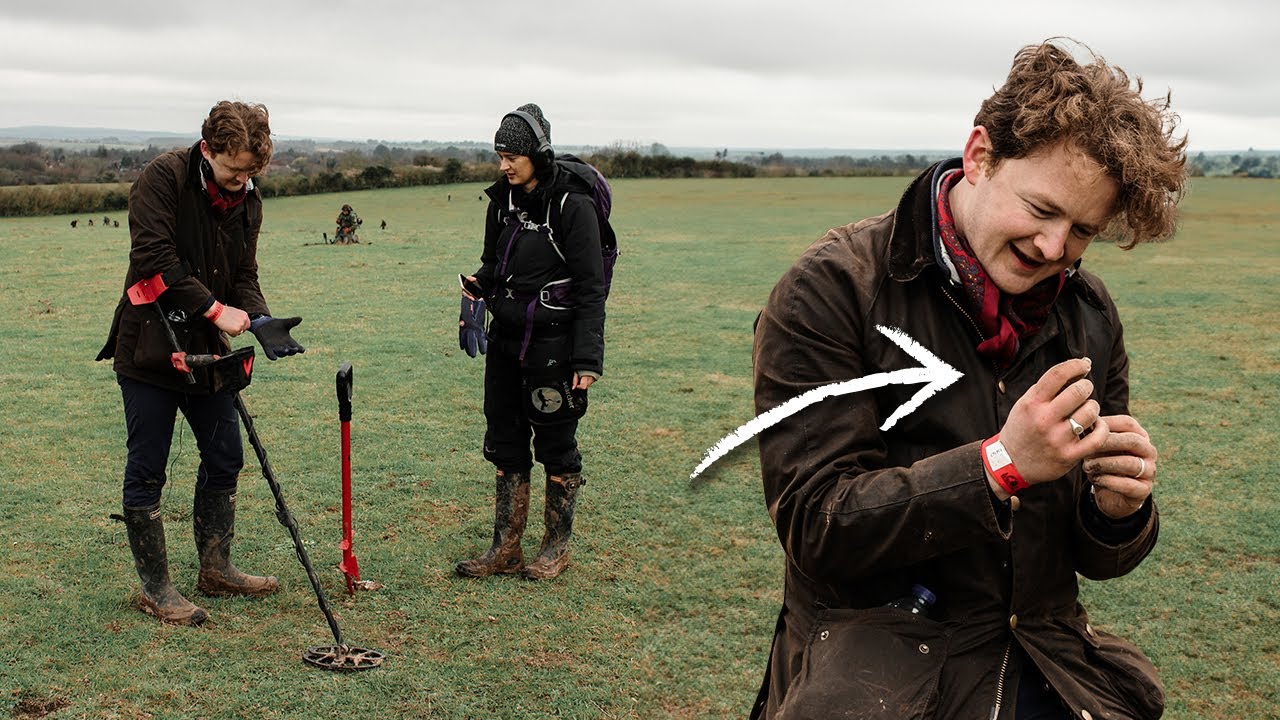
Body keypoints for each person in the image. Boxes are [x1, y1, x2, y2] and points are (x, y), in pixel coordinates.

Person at [750, 39, 1185, 720]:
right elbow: (816, 526)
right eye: (1040, 210)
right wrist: (1000, 466)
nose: (1054, 249)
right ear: (980, 155)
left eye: (1082, 231)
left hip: (1045, 668)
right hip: (879, 681)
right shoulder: (830, 291)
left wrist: (1115, 511)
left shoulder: (1088, 313)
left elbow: (1093, 558)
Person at [97, 100, 306, 626]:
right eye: (234, 169)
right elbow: (154, 258)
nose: (242, 181)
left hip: (208, 352)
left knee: (225, 457)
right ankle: (156, 589)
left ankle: (216, 569)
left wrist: (259, 319)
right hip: (150, 346)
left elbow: (243, 273)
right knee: (147, 468)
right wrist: (215, 309)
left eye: (251, 172)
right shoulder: (162, 178)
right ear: (208, 149)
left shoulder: (247, 200)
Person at [455, 103, 606, 581]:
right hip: (505, 340)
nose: (504, 165)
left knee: (557, 444)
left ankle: (555, 548)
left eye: (512, 157)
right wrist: (478, 285)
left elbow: (591, 287)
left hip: (554, 347)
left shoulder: (572, 205)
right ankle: (506, 549)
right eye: (499, 156)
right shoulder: (501, 201)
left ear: (538, 154)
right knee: (504, 440)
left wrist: (587, 358)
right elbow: (493, 262)